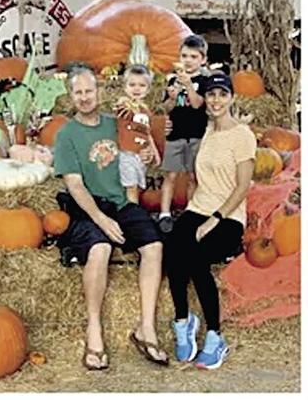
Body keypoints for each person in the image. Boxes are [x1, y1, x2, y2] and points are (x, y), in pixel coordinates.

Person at [53, 67, 168, 370]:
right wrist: (101, 220)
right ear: (70, 96)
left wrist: (145, 155)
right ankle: (94, 329)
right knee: (100, 248)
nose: (84, 97)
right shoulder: (66, 135)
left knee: (154, 246)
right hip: (87, 208)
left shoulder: (116, 123)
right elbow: (75, 185)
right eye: (78, 92)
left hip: (121, 203)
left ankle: (146, 328)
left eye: (89, 91)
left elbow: (138, 152)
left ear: (99, 92)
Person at [165, 72, 253, 370]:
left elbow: (243, 187)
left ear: (231, 98)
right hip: (198, 207)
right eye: (211, 94)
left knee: (197, 256)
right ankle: (183, 320)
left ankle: (215, 336)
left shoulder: (242, 135)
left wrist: (214, 219)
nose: (216, 100)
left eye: (222, 94)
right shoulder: (204, 128)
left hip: (228, 214)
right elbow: (171, 127)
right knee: (172, 249)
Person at [158, 35, 212, 233]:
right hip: (176, 135)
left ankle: (190, 211)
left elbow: (198, 104)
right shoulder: (173, 80)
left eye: (193, 57)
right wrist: (172, 98)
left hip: (196, 135)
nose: (188, 60)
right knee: (170, 175)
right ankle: (165, 214)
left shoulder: (205, 81)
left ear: (203, 60)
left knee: (192, 177)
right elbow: (166, 108)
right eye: (184, 56)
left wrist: (188, 85)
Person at [114, 65, 160, 204]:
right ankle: (133, 212)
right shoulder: (125, 107)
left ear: (148, 89)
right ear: (125, 87)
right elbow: (120, 109)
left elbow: (147, 133)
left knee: (138, 185)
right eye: (132, 85)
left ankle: (132, 207)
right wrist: (124, 103)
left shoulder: (145, 111)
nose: (136, 89)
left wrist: (155, 152)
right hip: (127, 153)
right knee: (131, 186)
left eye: (142, 85)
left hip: (141, 155)